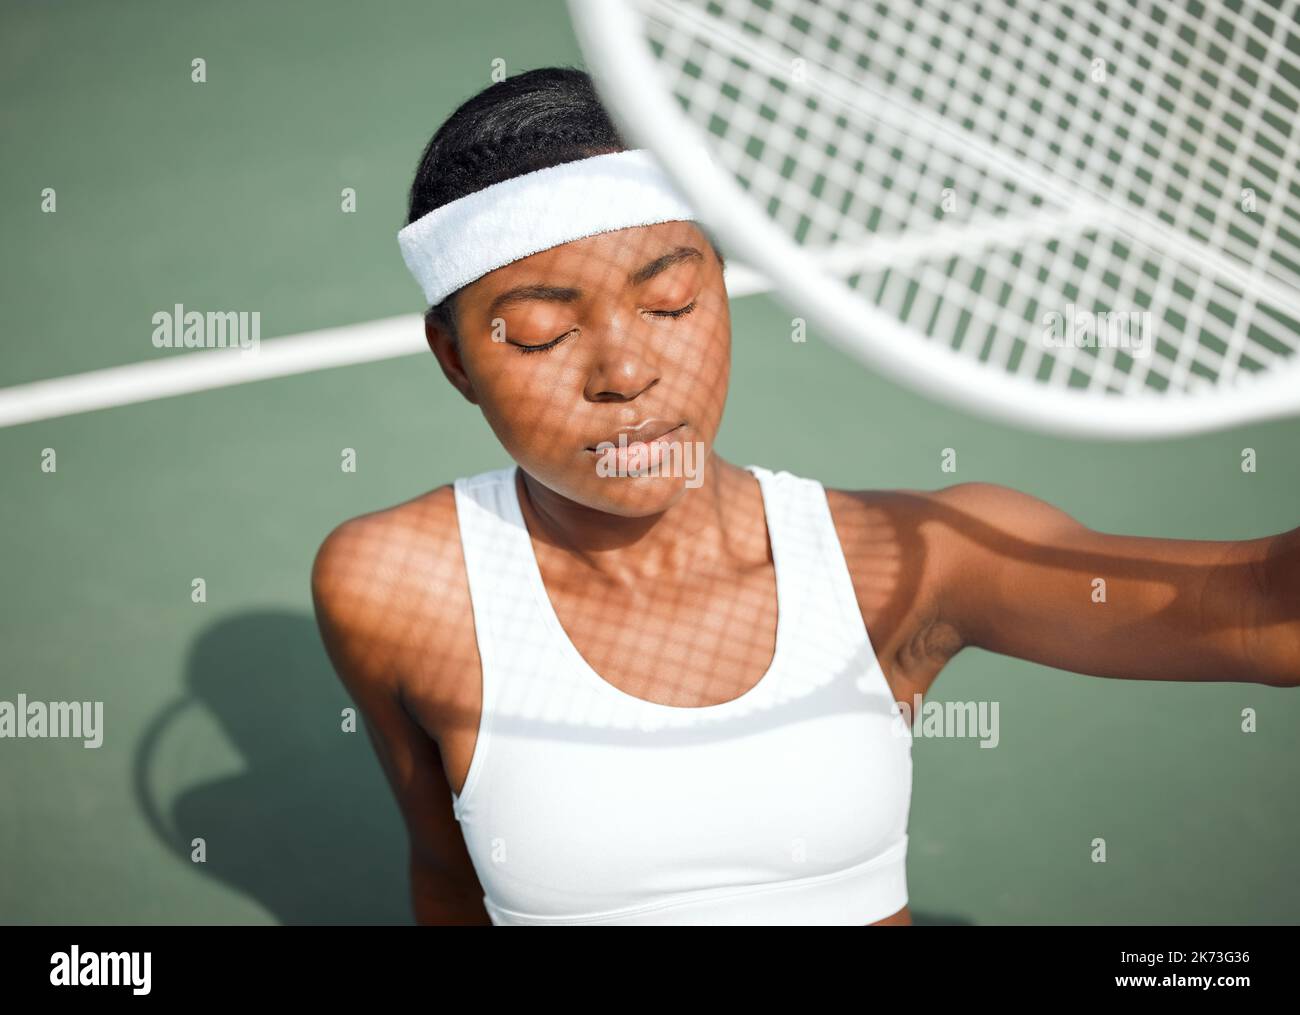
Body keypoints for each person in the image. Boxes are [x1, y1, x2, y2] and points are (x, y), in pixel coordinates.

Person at [311, 67, 1299, 926]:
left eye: (669, 302)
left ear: (722, 288)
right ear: (455, 360)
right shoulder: (396, 584)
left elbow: (1264, 616)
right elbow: (446, 878)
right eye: (536, 330)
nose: (625, 371)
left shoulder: (911, 561)